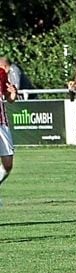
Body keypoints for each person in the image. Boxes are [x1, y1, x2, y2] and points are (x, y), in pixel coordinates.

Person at [0, 63, 15, 206]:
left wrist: (13, 94)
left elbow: (9, 97)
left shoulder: (1, 73)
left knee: (8, 165)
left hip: (2, 123)